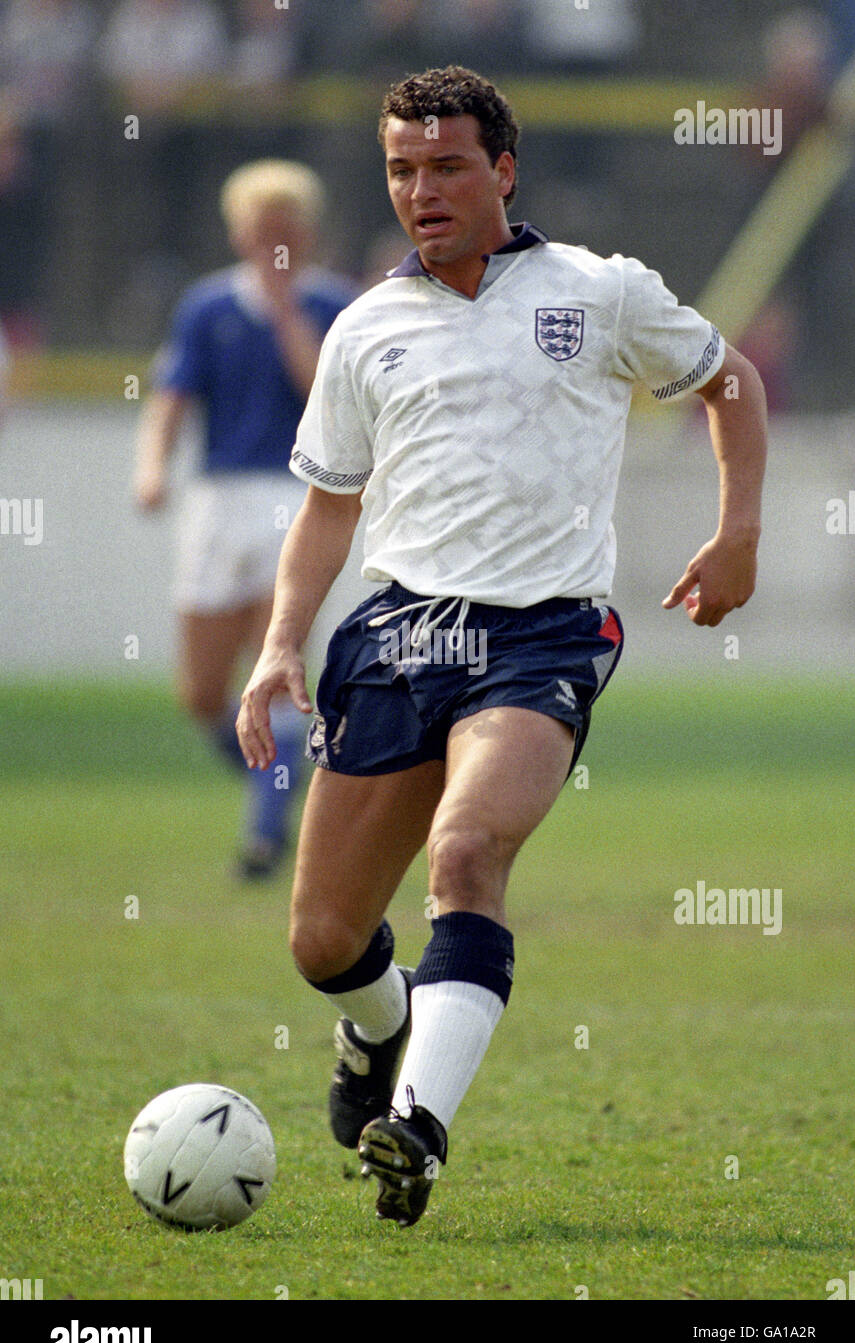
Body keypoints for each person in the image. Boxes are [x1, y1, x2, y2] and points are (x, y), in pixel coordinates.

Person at [237, 67, 767, 1224]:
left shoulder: (596, 290)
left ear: (503, 171)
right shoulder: (364, 328)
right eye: (399, 170)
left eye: (445, 167)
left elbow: (729, 381)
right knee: (323, 937)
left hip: (543, 636)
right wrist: (282, 643)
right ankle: (374, 1029)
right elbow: (330, 504)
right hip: (391, 638)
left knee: (468, 852)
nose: (419, 190)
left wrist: (735, 533)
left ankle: (414, 1129)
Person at [134, 159, 355, 877]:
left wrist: (288, 309)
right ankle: (278, 783)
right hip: (219, 501)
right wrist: (151, 466)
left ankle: (263, 834)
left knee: (278, 658)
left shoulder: (331, 304)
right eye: (262, 231)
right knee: (201, 693)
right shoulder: (206, 306)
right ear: (239, 233)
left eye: (286, 230)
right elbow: (173, 397)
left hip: (300, 498)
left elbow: (323, 394)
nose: (273, 244)